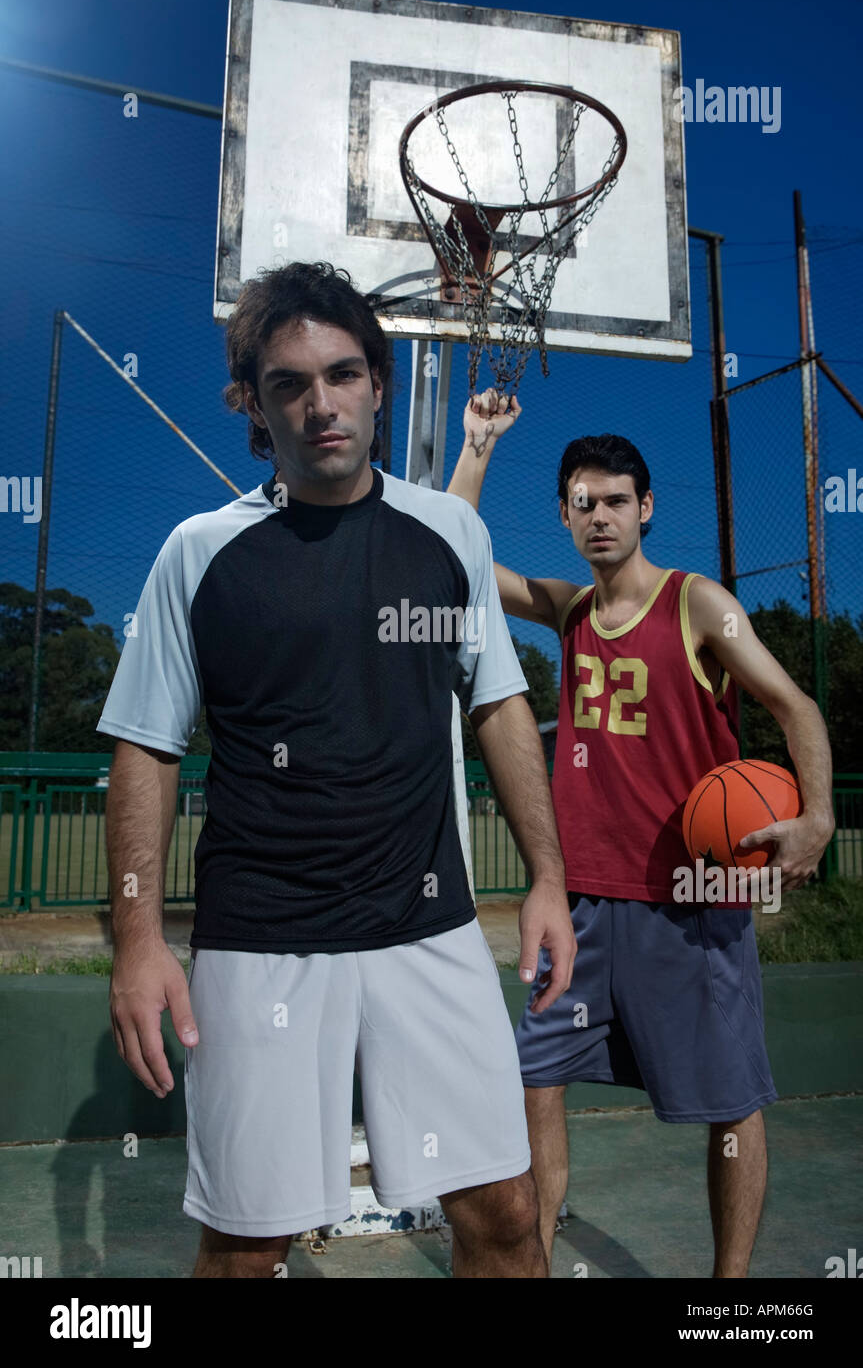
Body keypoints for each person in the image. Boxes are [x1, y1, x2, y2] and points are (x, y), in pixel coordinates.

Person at [98, 263, 576, 1279]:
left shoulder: (448, 533)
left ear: (377, 385)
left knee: (502, 1211)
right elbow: (144, 746)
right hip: (262, 938)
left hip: (428, 925)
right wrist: (138, 940)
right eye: (288, 383)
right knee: (243, 1246)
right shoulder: (199, 553)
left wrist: (545, 879)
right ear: (254, 404)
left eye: (343, 374)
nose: (320, 403)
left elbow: (496, 705)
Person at [448, 389, 835, 1278]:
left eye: (615, 500)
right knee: (535, 1083)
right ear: (564, 514)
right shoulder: (570, 611)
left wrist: (815, 819)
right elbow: (461, 549)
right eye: (582, 503)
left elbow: (796, 707)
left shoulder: (697, 604)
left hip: (690, 903)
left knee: (730, 1105)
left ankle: (728, 1293)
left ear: (646, 506)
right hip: (580, 903)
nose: (599, 517)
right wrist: (478, 445)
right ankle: (535, 1261)